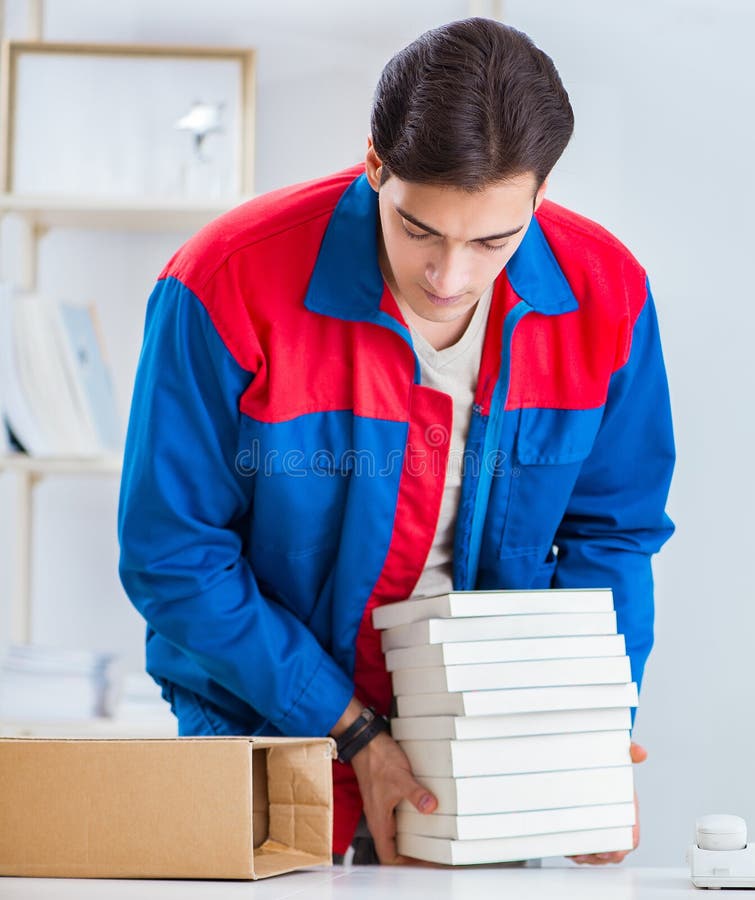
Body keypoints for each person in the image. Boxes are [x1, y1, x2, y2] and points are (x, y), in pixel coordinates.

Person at [118, 17, 674, 866]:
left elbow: (613, 539)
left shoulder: (609, 297)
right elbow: (173, 555)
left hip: (482, 745)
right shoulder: (226, 282)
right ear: (374, 162)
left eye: (492, 240)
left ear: (540, 193)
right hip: (264, 721)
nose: (450, 277)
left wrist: (587, 732)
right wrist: (353, 731)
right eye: (419, 230)